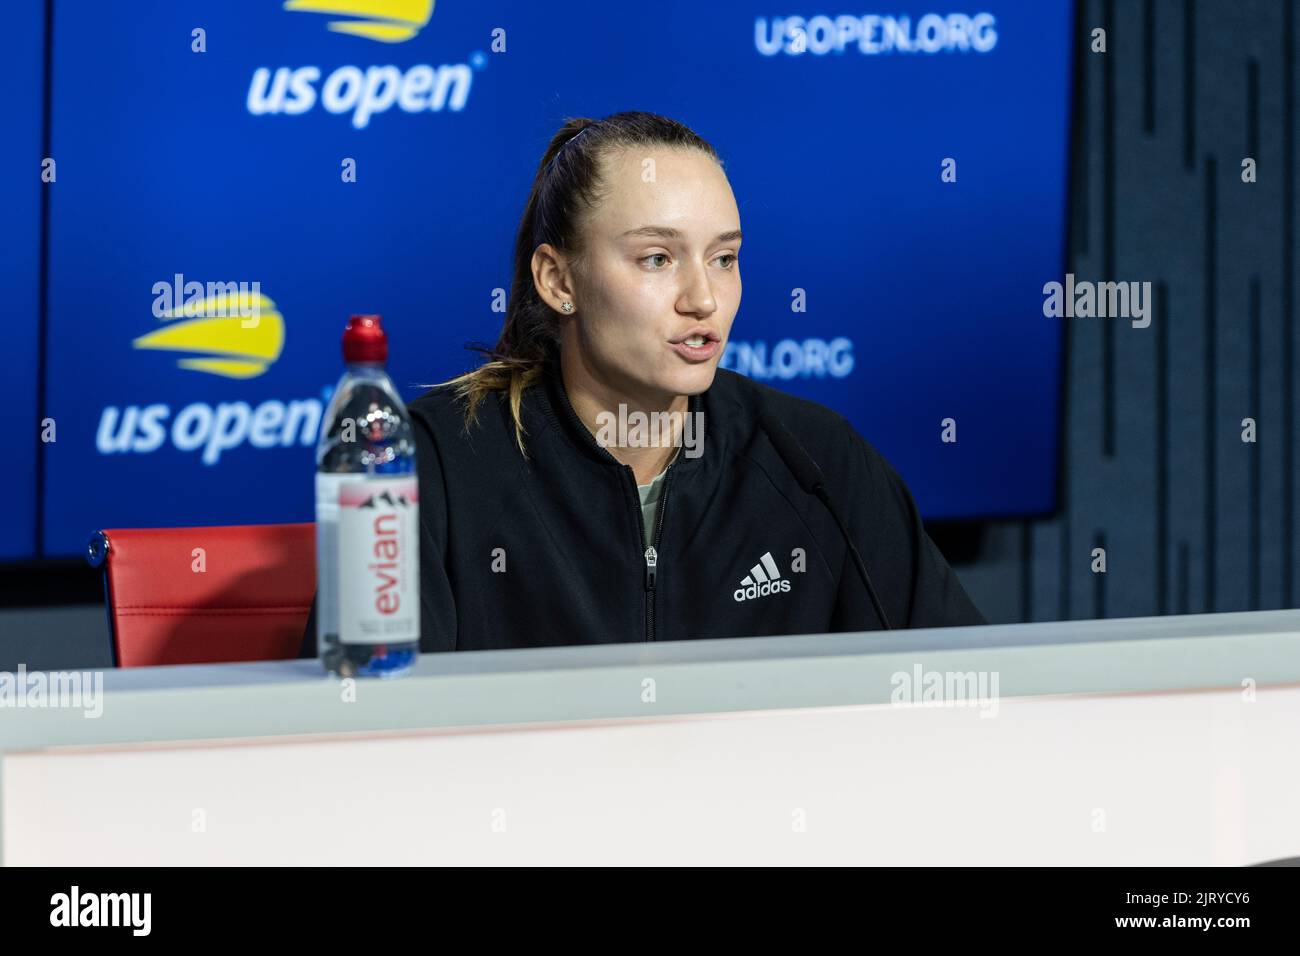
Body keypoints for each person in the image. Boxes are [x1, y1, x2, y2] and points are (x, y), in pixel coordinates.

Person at [302, 110, 984, 656]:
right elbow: (363, 723)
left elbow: (962, 688)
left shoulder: (816, 461)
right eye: (657, 258)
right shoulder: (436, 463)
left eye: (725, 258)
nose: (703, 298)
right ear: (558, 280)